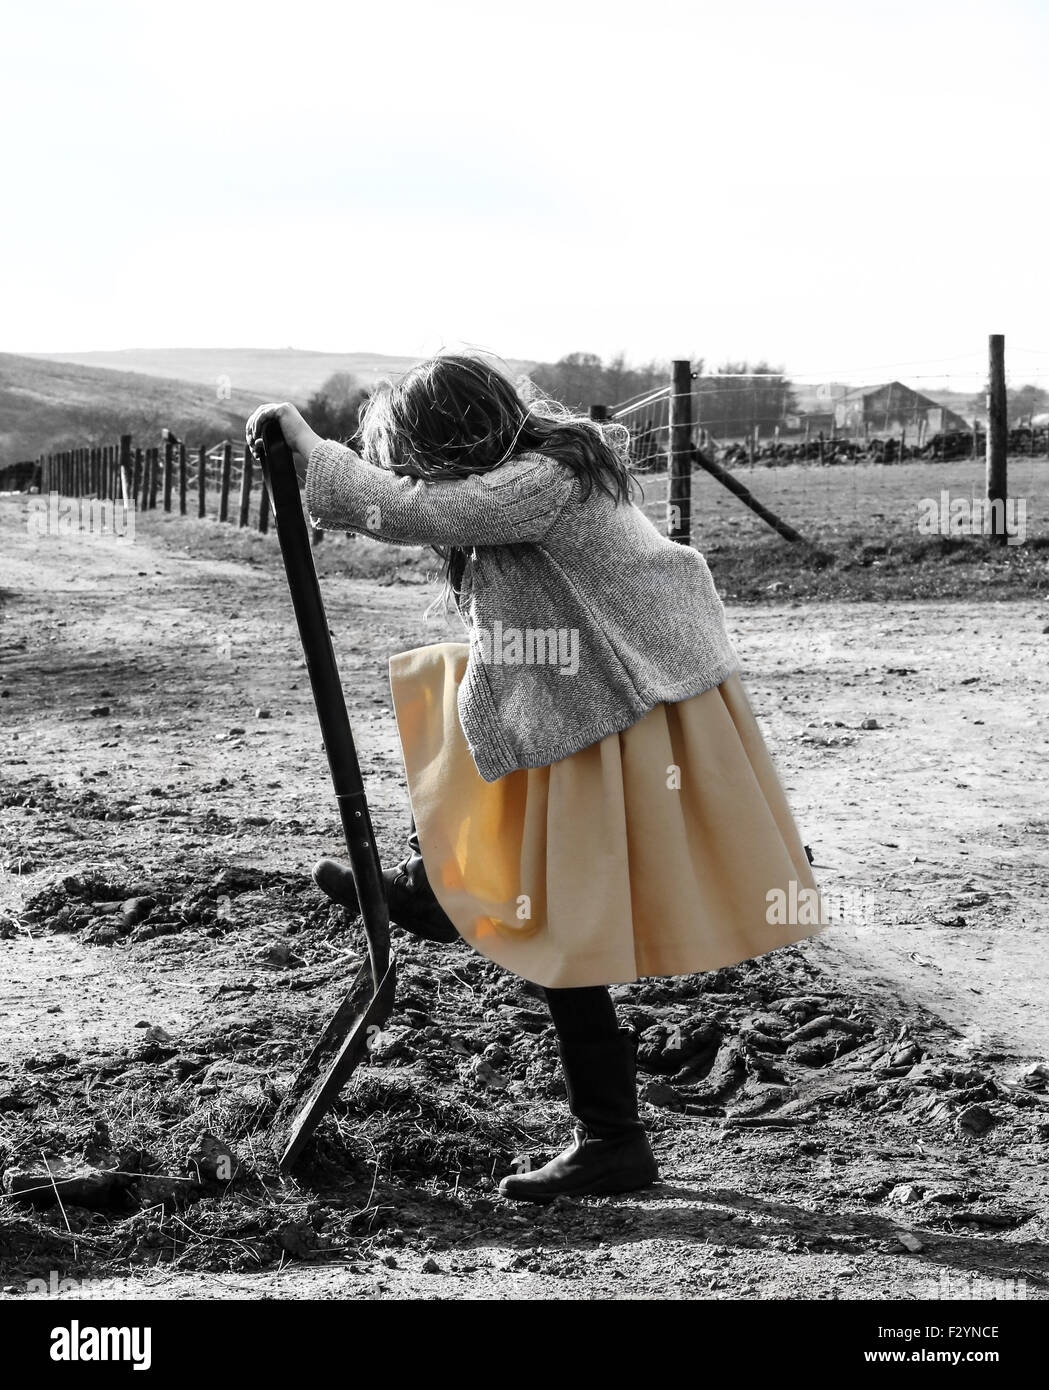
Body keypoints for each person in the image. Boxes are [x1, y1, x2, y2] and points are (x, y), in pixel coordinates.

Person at [245, 354, 821, 1202]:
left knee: (560, 919)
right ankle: (437, 894)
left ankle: (603, 1129)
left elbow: (408, 510)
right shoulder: (546, 473)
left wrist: (309, 449)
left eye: (413, 457)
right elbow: (429, 511)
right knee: (471, 712)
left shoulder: (542, 480)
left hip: (623, 706)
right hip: (594, 696)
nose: (409, 474)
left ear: (446, 444)